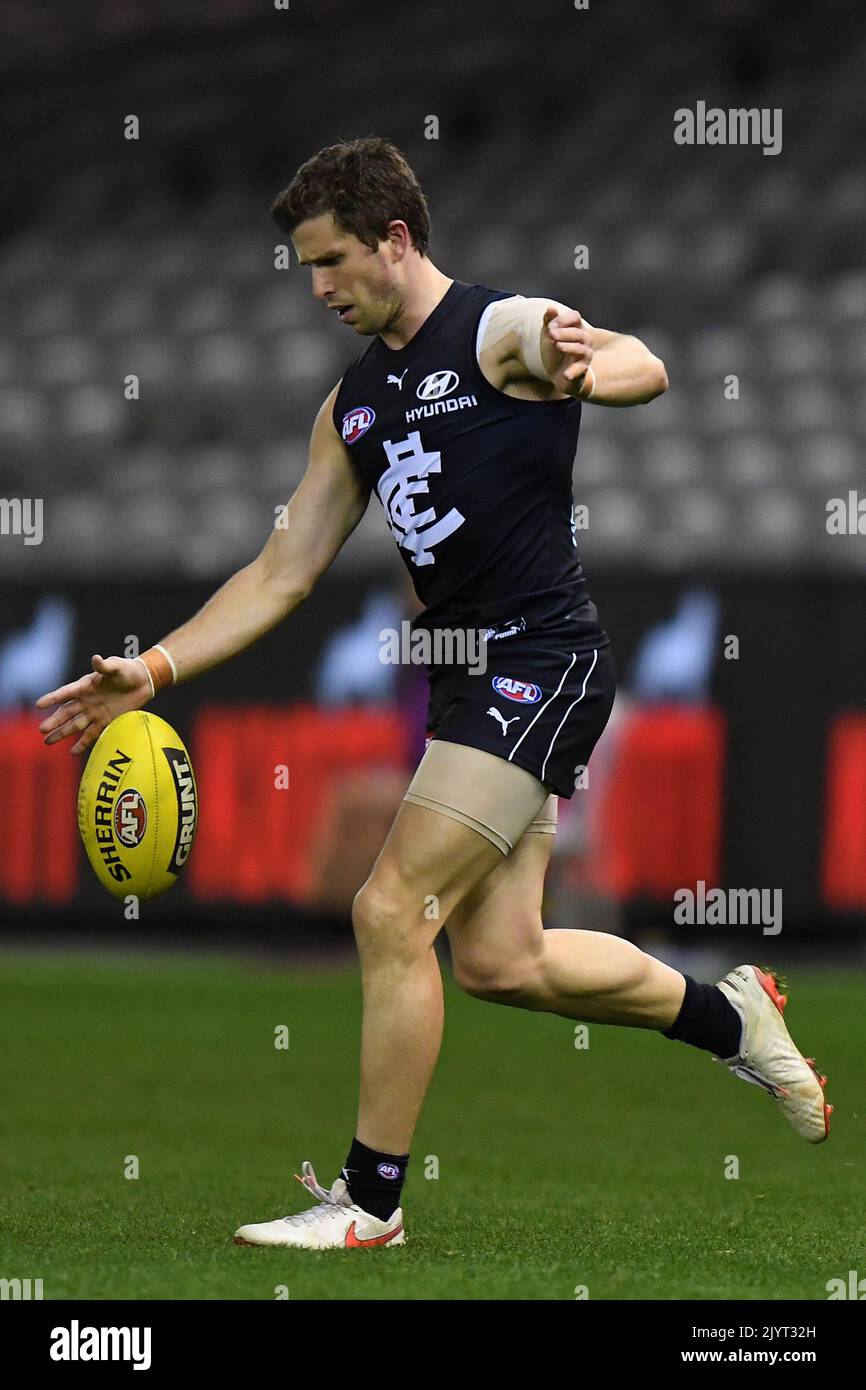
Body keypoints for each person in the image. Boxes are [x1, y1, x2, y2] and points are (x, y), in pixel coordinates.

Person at [36, 138, 831, 1252]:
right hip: (471, 682)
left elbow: (637, 358)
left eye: (328, 263)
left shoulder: (499, 333)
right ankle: (728, 1012)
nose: (315, 289)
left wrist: (588, 366)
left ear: (394, 241)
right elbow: (281, 571)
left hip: (542, 661)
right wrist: (154, 668)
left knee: (384, 909)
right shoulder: (353, 407)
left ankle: (368, 1203)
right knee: (505, 960)